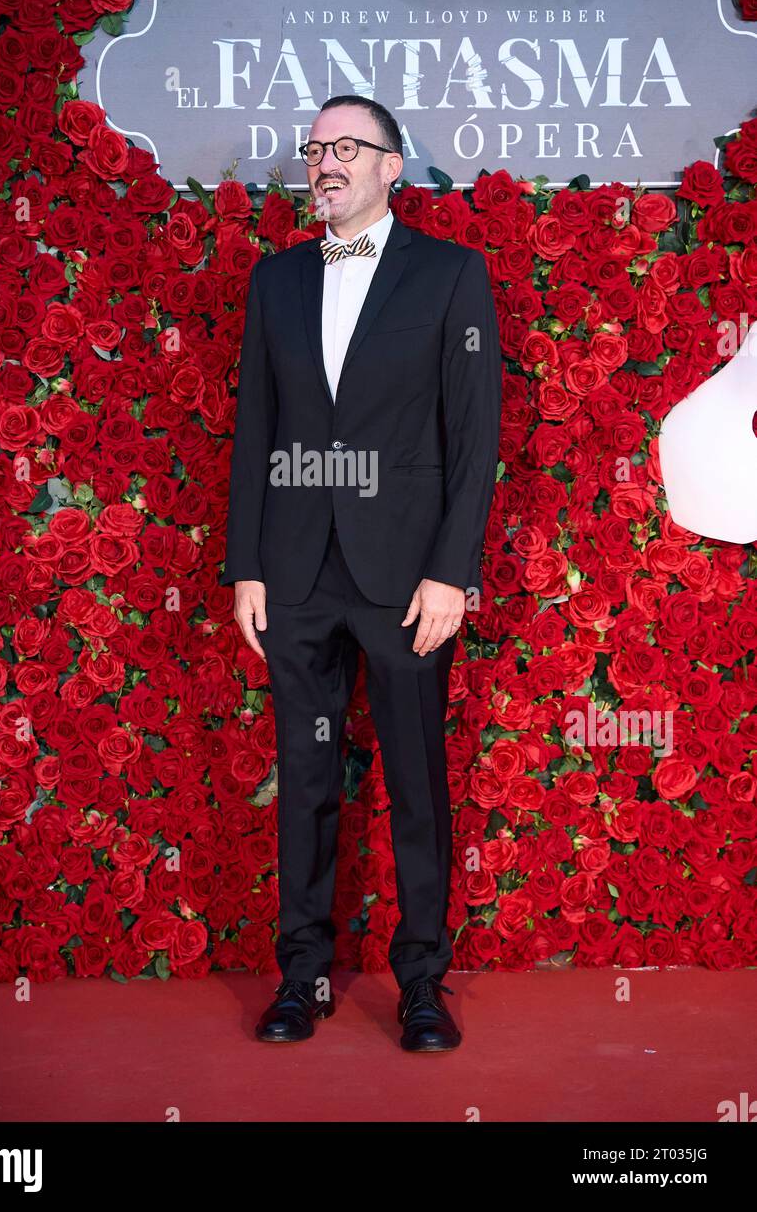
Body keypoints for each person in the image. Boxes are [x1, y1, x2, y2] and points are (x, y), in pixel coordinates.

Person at [220, 94, 502, 1051]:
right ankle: (301, 978)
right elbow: (254, 427)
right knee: (305, 779)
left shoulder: (453, 279)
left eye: (347, 148)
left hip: (404, 578)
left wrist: (449, 573)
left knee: (417, 782)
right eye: (314, 149)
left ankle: (422, 983)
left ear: (393, 167)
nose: (325, 162)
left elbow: (474, 441)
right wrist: (248, 565)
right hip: (297, 574)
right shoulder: (278, 282)